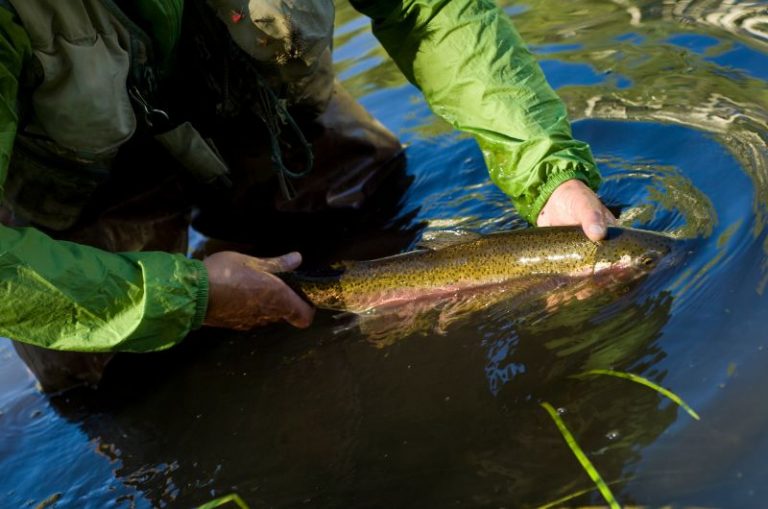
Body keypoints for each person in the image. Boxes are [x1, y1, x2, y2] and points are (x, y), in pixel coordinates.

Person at [0, 0, 615, 392]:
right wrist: (185, 297)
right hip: (72, 180)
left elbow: (430, 8)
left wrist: (550, 173)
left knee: (370, 203)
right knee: (112, 382)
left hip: (262, 108)